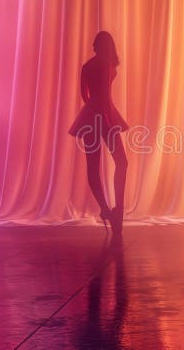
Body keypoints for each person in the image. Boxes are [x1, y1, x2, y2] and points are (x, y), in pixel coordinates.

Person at [69, 31, 129, 235]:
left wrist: (93, 111)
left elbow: (84, 95)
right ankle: (117, 211)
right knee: (121, 162)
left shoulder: (88, 66)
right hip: (105, 114)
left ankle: (107, 209)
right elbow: (98, 93)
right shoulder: (106, 65)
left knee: (94, 166)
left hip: (92, 115)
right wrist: (103, 114)